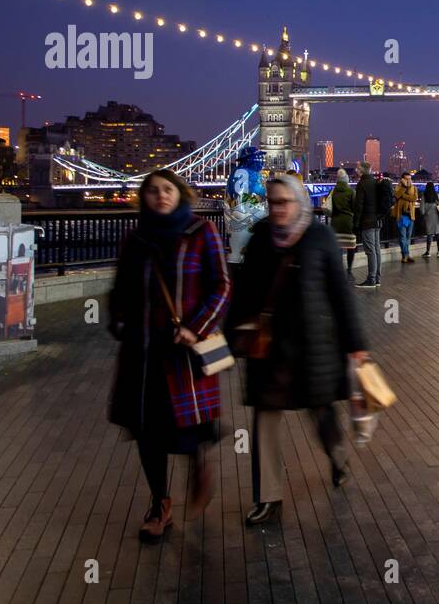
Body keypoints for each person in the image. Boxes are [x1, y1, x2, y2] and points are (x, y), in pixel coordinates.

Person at [227, 176, 368, 524]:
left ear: (299, 201)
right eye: (272, 202)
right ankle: (268, 497)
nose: (276, 209)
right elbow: (243, 294)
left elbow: (340, 295)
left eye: (283, 202)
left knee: (321, 412)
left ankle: (338, 459)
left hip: (312, 345)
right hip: (269, 348)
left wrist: (356, 346)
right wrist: (229, 339)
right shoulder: (261, 238)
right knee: (265, 418)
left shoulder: (320, 238)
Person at [108, 169, 231, 543]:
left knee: (188, 424)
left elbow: (222, 286)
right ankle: (159, 504)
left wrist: (196, 326)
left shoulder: (201, 233)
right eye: (153, 191)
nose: (160, 196)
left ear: (181, 194)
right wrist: (117, 319)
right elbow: (121, 288)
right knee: (147, 429)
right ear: (143, 198)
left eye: (167, 189)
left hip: (185, 349)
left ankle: (199, 466)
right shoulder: (136, 239)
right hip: (144, 350)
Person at [353, 161, 381, 288]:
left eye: (358, 169)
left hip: (367, 221)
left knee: (370, 251)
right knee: (376, 249)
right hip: (377, 221)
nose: (356, 171)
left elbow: (359, 206)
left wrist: (356, 223)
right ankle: (377, 278)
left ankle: (371, 279)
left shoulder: (362, 184)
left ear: (362, 171)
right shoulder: (376, 182)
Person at [327, 169, 358, 276]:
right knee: (350, 247)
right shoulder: (351, 192)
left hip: (335, 222)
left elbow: (329, 207)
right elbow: (355, 208)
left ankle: (339, 268)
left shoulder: (333, 191)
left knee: (338, 247)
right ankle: (349, 268)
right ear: (346, 180)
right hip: (348, 222)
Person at [393, 172, 419, 264]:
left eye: (409, 178)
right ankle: (405, 255)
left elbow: (414, 198)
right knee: (402, 237)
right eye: (406, 179)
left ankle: (406, 256)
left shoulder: (414, 187)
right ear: (402, 179)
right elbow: (396, 195)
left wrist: (403, 196)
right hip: (401, 215)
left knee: (408, 237)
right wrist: (404, 187)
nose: (408, 180)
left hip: (410, 215)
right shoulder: (398, 187)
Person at [422, 181, 439, 258]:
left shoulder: (424, 196)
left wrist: (424, 214)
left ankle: (428, 252)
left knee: (429, 235)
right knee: (438, 235)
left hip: (428, 218)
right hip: (437, 217)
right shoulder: (437, 195)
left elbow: (422, 210)